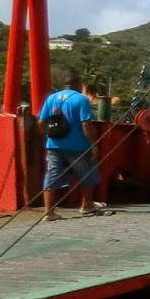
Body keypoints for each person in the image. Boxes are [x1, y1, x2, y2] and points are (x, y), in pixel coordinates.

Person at [38, 71, 104, 219]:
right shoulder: (81, 99)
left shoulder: (51, 98)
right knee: (86, 173)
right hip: (77, 145)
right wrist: (93, 144)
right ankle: (86, 204)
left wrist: (49, 136)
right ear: (78, 85)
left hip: (54, 145)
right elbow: (86, 124)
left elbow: (41, 122)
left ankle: (49, 212)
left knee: (51, 176)